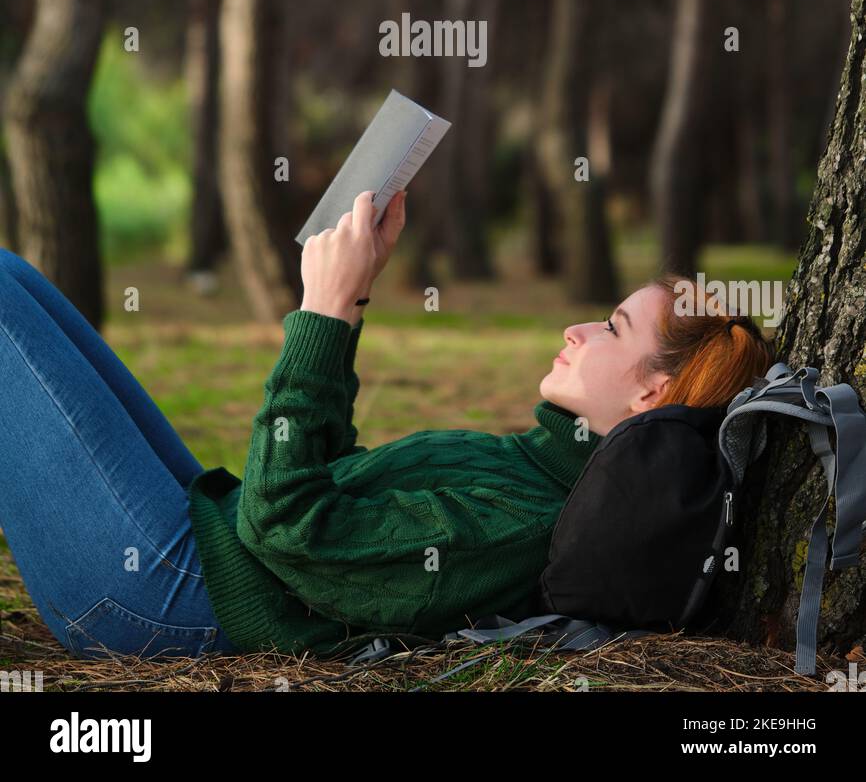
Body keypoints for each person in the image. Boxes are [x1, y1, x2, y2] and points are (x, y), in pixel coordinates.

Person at [0, 190, 774, 660]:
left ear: (652, 394)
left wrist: (323, 315)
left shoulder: (520, 522)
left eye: (612, 325)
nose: (577, 328)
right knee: (15, 277)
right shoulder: (536, 473)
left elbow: (287, 523)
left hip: (167, 599)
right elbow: (335, 489)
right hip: (203, 542)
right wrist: (355, 295)